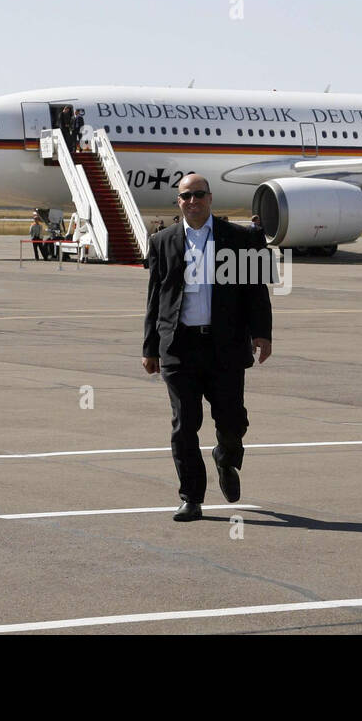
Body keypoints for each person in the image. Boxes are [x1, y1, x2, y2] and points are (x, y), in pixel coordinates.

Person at [142, 173, 273, 522]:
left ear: (210, 198)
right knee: (184, 424)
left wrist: (262, 333)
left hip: (225, 346)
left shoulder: (242, 238)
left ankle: (226, 456)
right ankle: (191, 498)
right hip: (179, 346)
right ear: (178, 201)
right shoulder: (162, 241)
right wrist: (150, 347)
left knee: (232, 421)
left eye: (199, 195)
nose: (192, 201)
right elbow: (156, 298)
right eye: (186, 196)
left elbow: (256, 289)